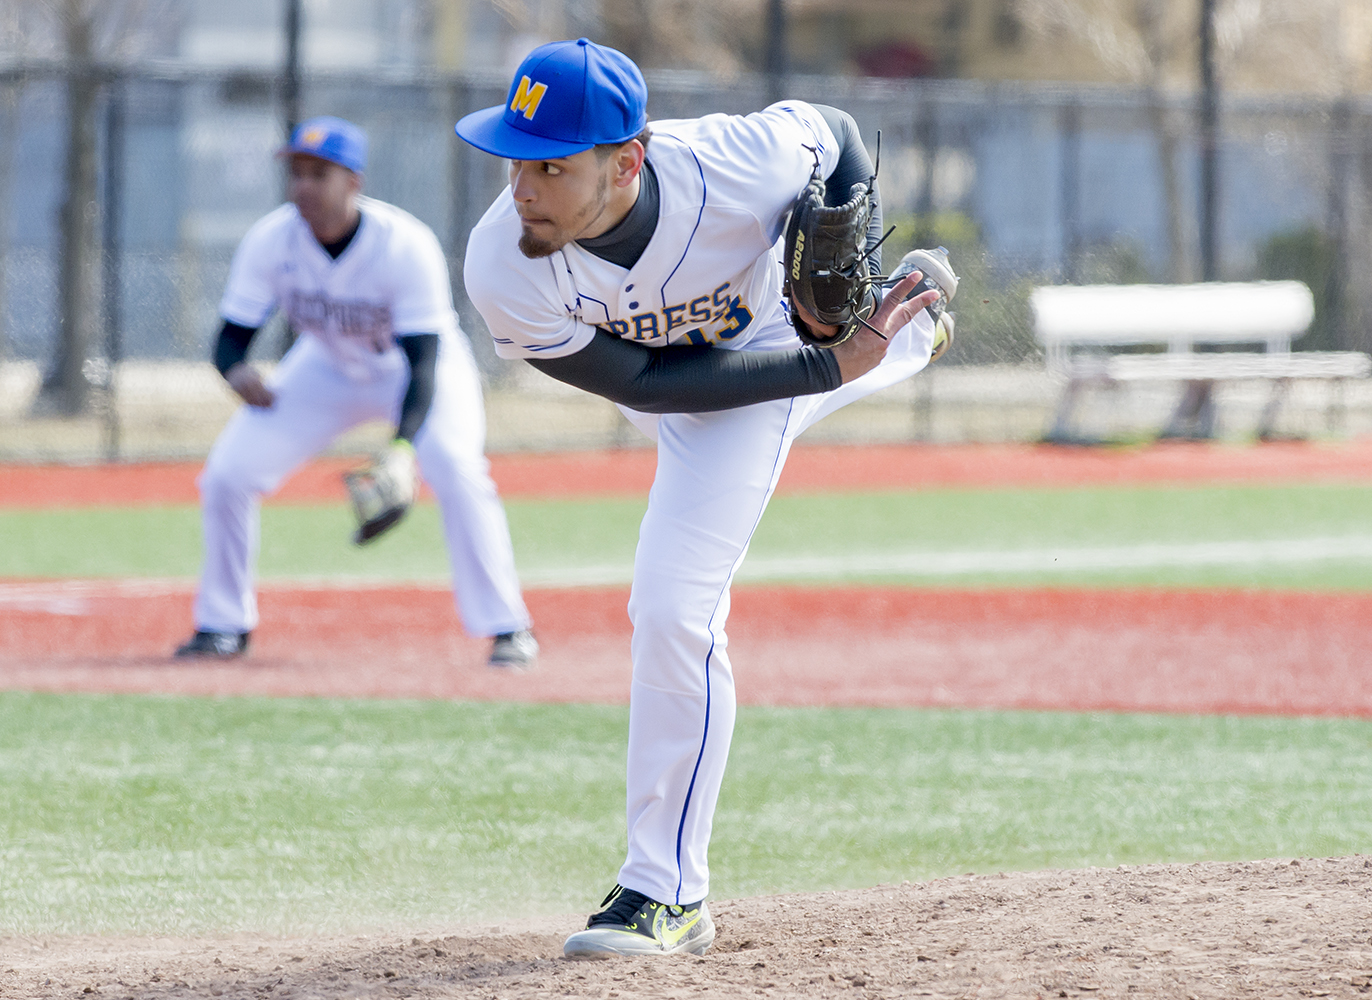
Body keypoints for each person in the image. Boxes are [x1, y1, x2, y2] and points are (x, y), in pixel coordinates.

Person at [455, 40, 956, 957]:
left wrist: (835, 302)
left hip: (764, 338)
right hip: (674, 380)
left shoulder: (733, 165)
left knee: (674, 608)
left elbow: (838, 133)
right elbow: (648, 384)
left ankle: (667, 893)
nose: (523, 187)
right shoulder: (503, 264)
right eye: (515, 160)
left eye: (552, 166)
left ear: (626, 163)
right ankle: (907, 324)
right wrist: (831, 364)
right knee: (802, 388)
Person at [175, 116, 538, 669]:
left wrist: (402, 446)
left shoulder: (403, 244)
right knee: (228, 474)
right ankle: (222, 625)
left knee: (457, 469)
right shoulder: (272, 240)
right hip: (325, 366)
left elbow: (422, 362)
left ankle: (507, 626)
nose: (303, 186)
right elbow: (230, 339)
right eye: (297, 172)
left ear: (353, 181)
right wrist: (235, 371)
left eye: (319, 174)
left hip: (415, 369)